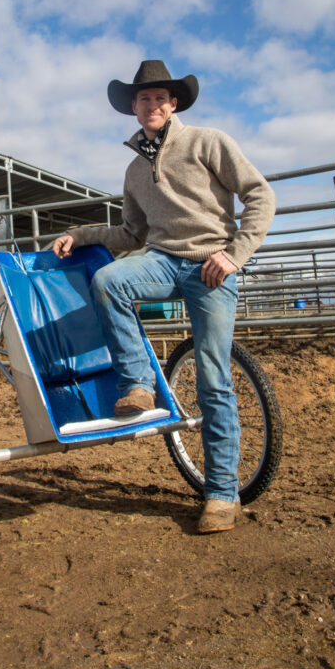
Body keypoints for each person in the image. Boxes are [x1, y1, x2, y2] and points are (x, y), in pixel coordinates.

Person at [52, 60, 275, 533]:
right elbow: (131, 232)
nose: (151, 105)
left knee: (213, 378)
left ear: (173, 104)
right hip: (160, 258)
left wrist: (235, 254)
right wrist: (82, 234)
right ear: (132, 108)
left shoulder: (208, 142)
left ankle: (220, 494)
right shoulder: (134, 170)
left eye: (159, 98)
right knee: (111, 281)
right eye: (143, 98)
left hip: (212, 264)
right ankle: (138, 383)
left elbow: (260, 194)